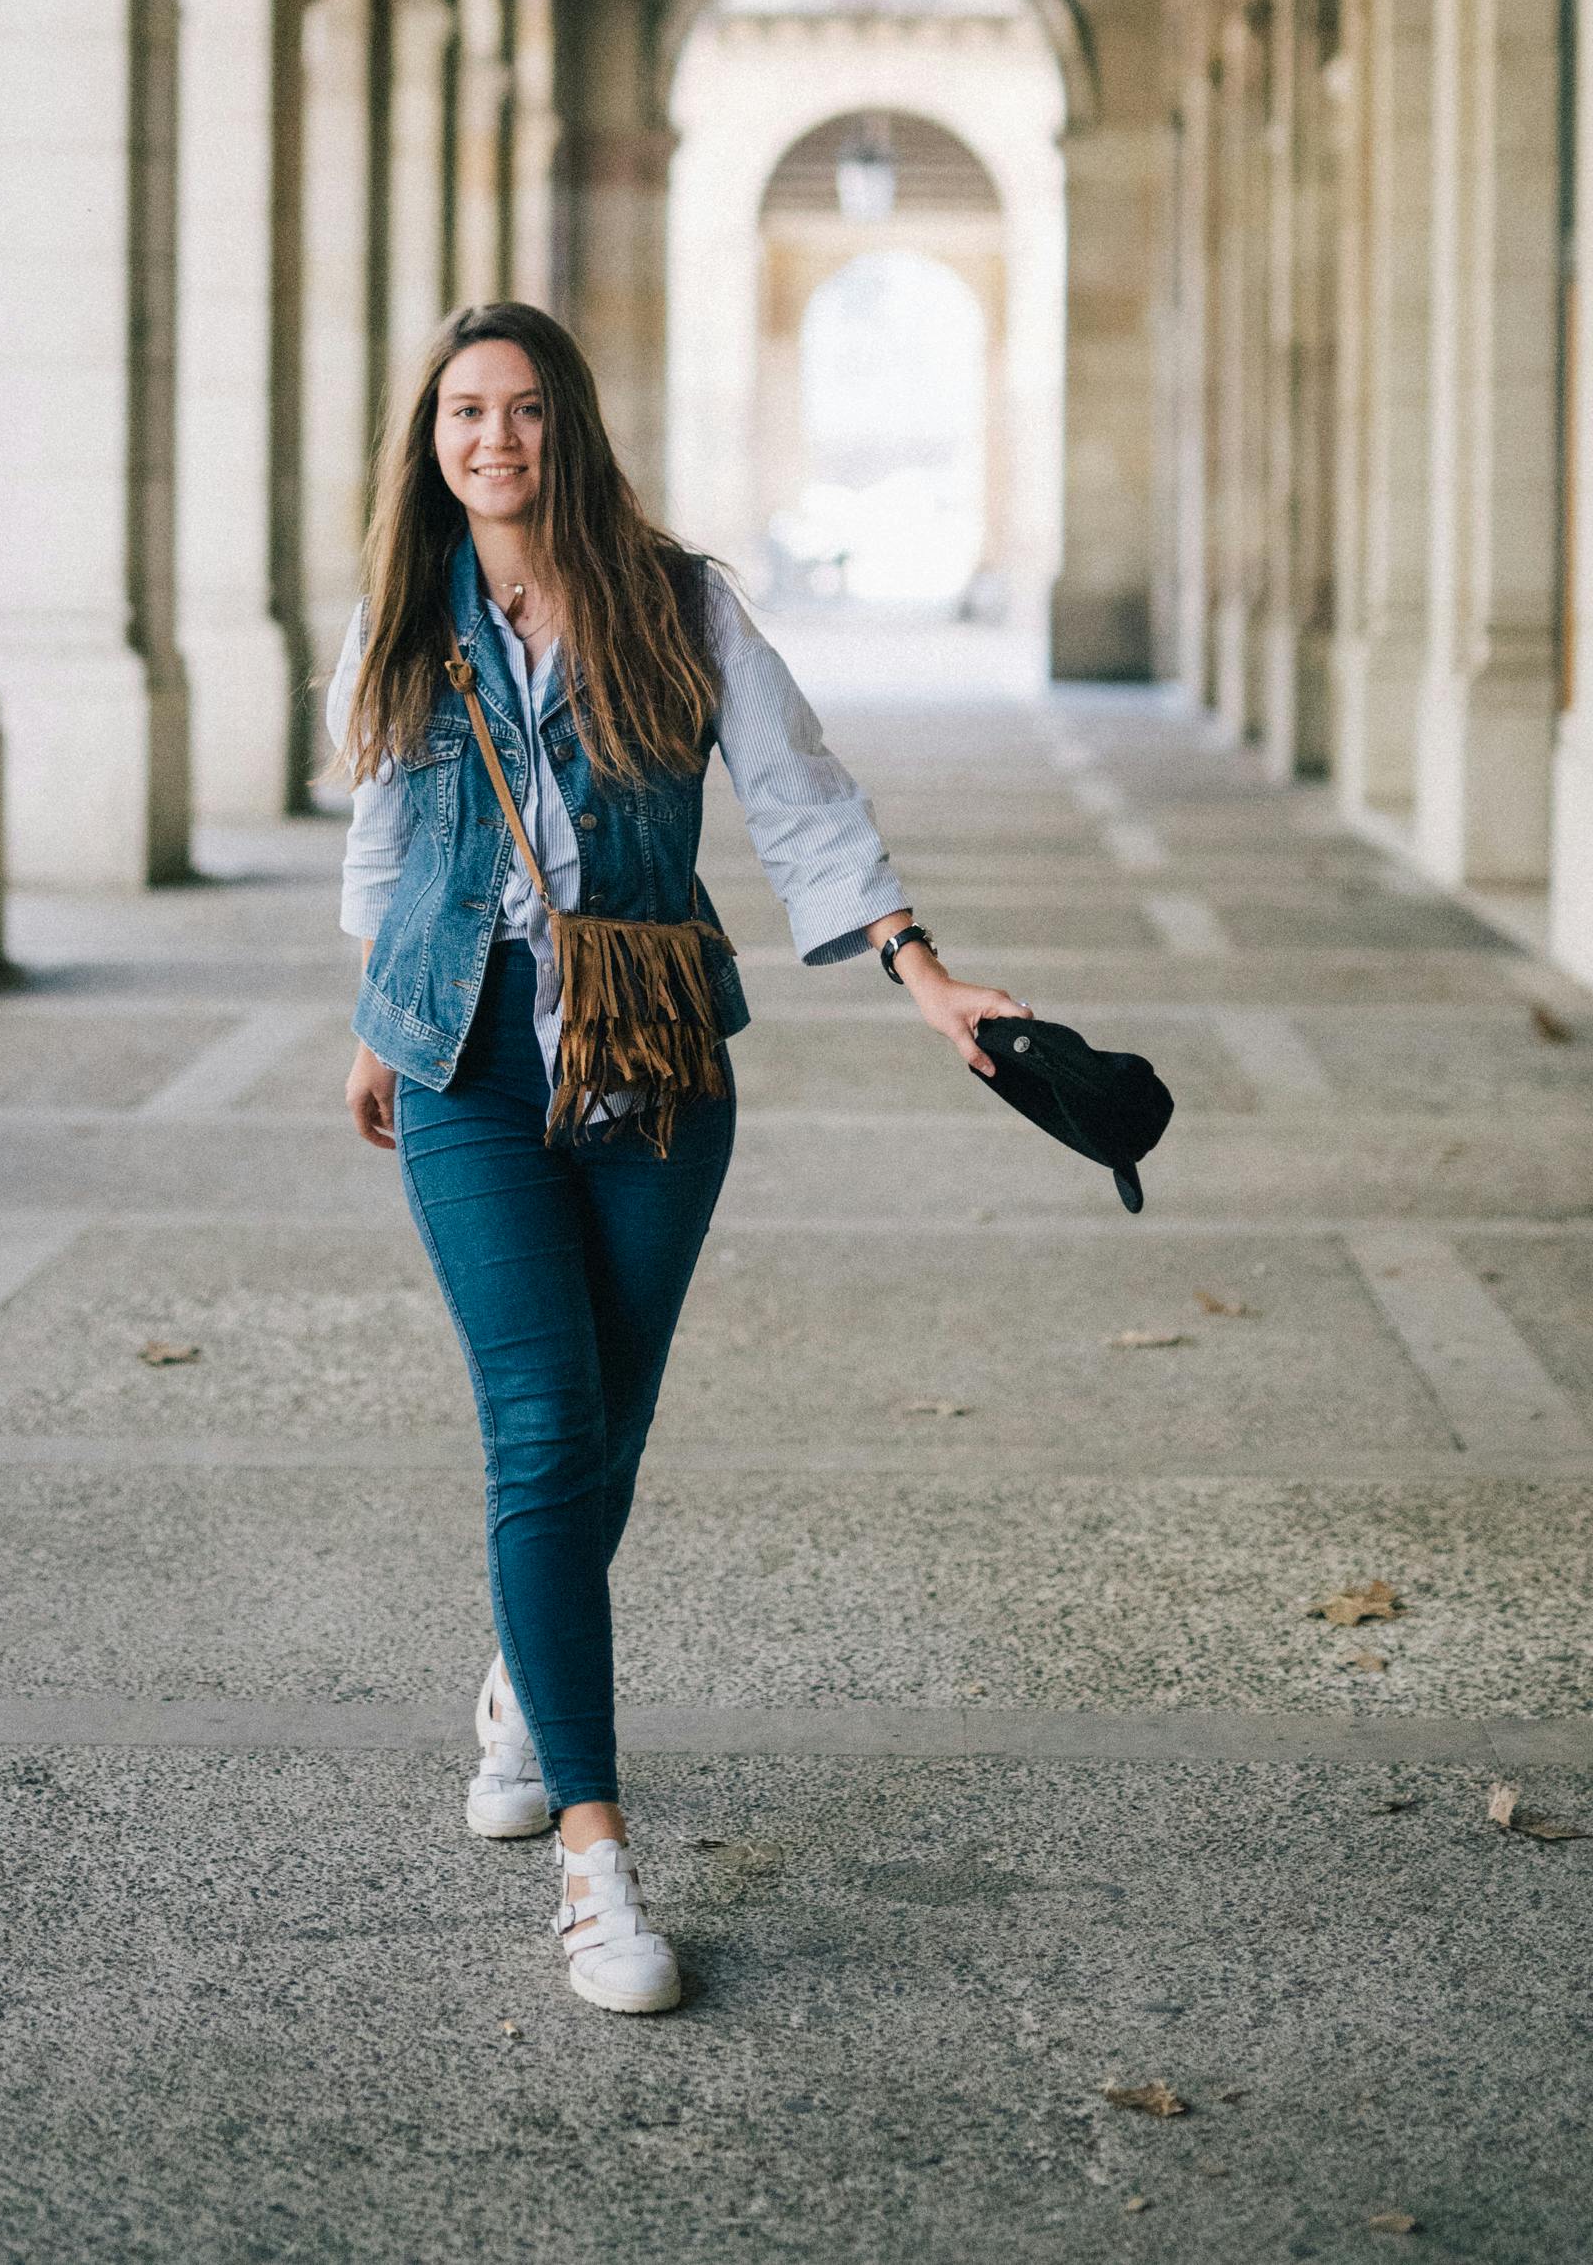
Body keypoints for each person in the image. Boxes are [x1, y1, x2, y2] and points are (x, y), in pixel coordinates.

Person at [330, 303, 1020, 2016]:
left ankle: (522, 1675)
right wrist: (377, 1019)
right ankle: (593, 1854)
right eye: (463, 411)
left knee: (611, 1424)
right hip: (466, 1059)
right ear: (431, 438)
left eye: (525, 409)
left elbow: (799, 800)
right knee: (545, 1420)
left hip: (653, 1057)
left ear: (572, 428)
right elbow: (387, 841)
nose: (494, 438)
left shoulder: (683, 601)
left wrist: (920, 974)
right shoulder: (401, 620)